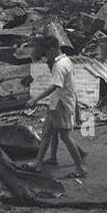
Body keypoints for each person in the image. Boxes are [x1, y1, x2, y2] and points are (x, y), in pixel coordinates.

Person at [27, 37, 86, 178]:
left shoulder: (59, 66)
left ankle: (81, 168)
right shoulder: (66, 61)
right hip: (56, 103)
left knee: (65, 136)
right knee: (47, 132)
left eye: (47, 53)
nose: (46, 56)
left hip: (61, 104)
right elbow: (71, 87)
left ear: (53, 49)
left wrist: (35, 98)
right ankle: (40, 162)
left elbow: (55, 86)